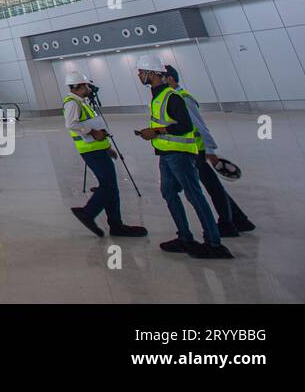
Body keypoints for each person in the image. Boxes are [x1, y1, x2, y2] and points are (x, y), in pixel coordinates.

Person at [133, 56, 231, 259]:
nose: (139, 75)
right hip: (165, 153)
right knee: (168, 192)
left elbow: (186, 126)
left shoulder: (172, 96)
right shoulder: (157, 96)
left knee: (194, 195)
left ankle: (214, 243)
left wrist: (157, 131)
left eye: (142, 72)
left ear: (153, 73)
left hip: (180, 155)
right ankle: (185, 237)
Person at [164, 65, 255, 237]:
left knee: (212, 188)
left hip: (197, 150)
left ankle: (227, 224)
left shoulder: (181, 99)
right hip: (192, 149)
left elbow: (200, 127)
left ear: (170, 79)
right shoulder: (175, 97)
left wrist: (210, 150)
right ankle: (239, 219)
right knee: (213, 186)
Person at [61, 70, 146, 238]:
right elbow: (71, 124)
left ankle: (116, 224)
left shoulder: (82, 102)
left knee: (111, 187)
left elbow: (93, 124)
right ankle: (88, 213)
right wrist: (92, 132)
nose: (89, 89)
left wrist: (107, 147)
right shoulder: (72, 103)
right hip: (91, 151)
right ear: (80, 85)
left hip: (98, 149)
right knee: (108, 186)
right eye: (87, 86)